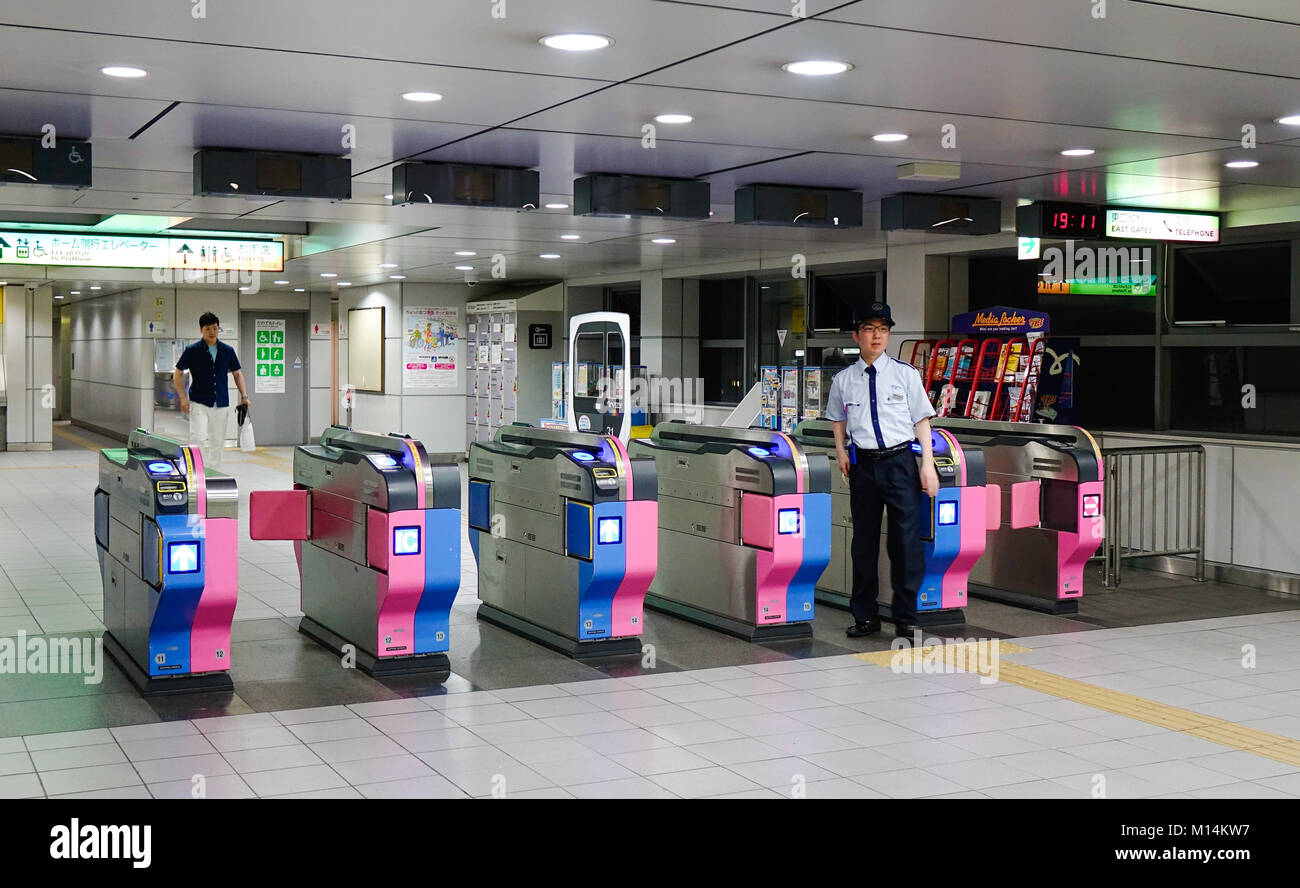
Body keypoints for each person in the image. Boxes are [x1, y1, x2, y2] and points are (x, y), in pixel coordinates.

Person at [824, 302, 940, 639]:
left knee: (905, 544)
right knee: (863, 544)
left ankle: (906, 617)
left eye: (884, 329)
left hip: (900, 463)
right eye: (871, 329)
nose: (877, 336)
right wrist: (841, 451)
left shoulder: (905, 374)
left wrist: (928, 466)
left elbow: (922, 420)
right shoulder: (845, 379)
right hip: (864, 467)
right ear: (856, 335)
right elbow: (838, 418)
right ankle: (866, 616)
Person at [173, 312, 249, 470]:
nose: (212, 331)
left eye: (215, 328)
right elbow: (178, 373)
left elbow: (237, 373)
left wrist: (244, 396)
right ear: (201, 330)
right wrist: (183, 397)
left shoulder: (228, 350)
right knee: (197, 438)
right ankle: (197, 471)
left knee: (217, 441)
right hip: (199, 401)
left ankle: (213, 472)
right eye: (208, 328)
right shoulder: (192, 350)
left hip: (221, 402)